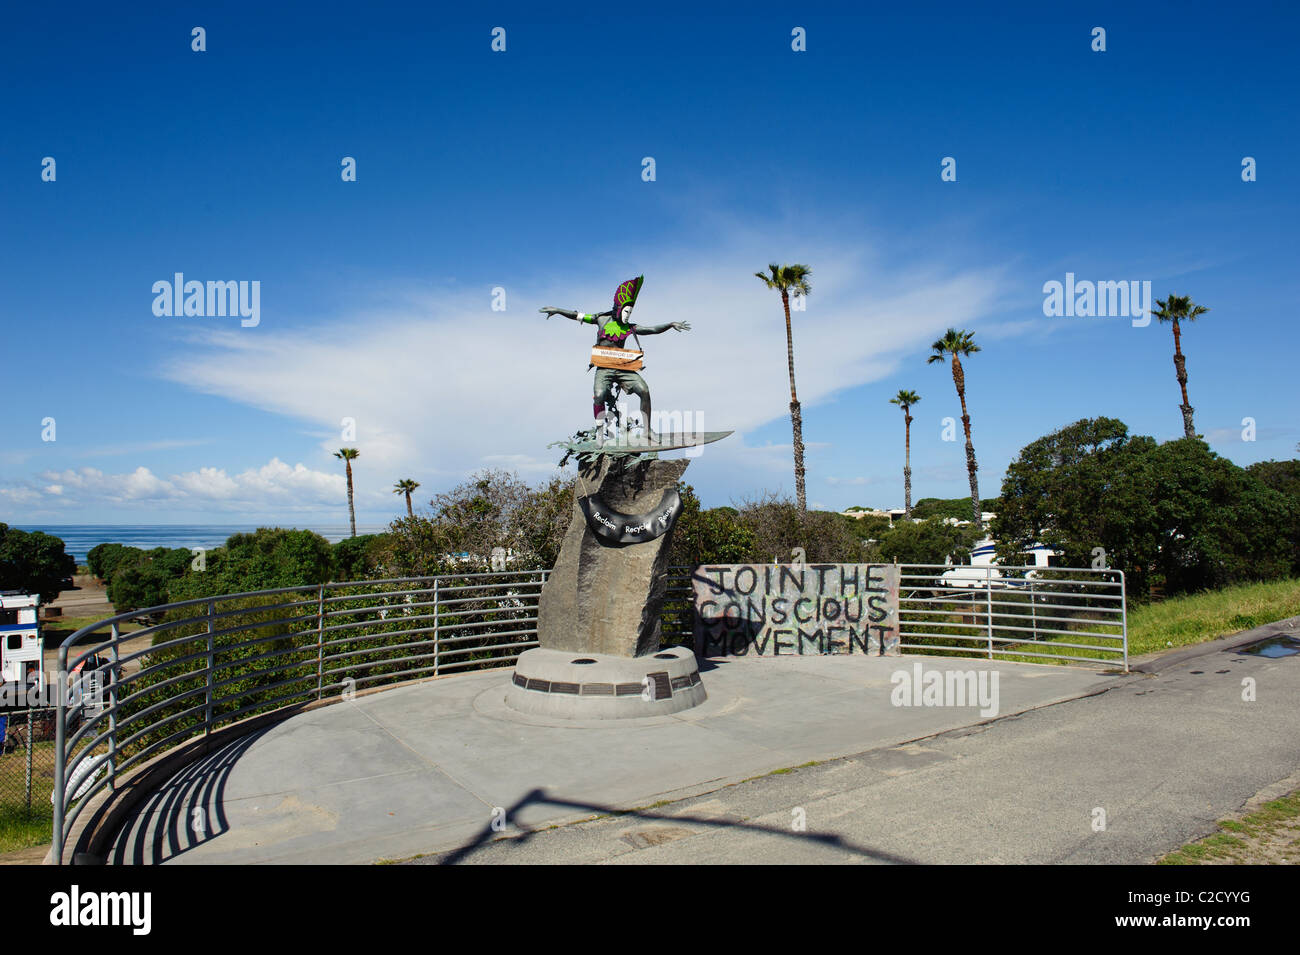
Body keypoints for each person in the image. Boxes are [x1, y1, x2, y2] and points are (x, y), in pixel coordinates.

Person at [539, 276, 689, 438]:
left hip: (622, 367)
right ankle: (600, 433)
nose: (628, 315)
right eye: (626, 311)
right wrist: (558, 310)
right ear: (618, 309)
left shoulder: (629, 327)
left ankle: (647, 431)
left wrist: (669, 324)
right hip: (603, 367)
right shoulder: (601, 319)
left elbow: (651, 329)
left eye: (630, 312)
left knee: (644, 391)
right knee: (599, 395)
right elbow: (578, 316)